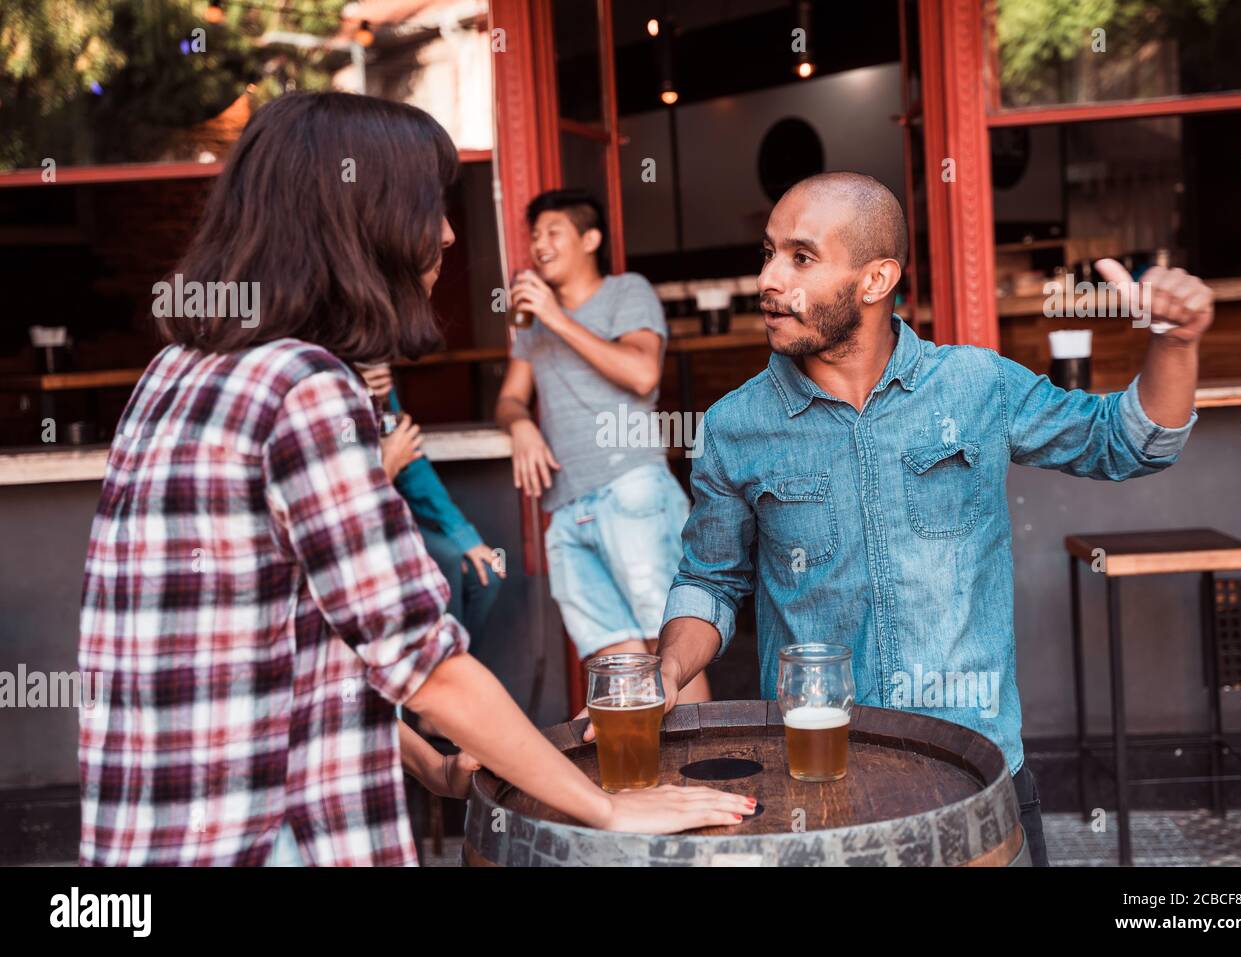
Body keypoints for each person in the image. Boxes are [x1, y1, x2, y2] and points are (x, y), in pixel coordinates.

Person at [77, 92, 753, 867]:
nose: (446, 232)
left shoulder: (175, 374)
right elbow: (429, 670)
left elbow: (277, 651)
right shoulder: (306, 388)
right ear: (363, 221)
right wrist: (606, 805)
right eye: (429, 205)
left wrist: (431, 764)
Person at [637, 171, 1213, 867]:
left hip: (976, 772)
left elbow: (1127, 443)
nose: (769, 278)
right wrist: (667, 667)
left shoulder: (976, 386)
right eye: (767, 253)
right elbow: (711, 580)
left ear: (876, 278)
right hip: (822, 788)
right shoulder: (736, 425)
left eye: (801, 257)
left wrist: (1175, 343)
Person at [494, 189, 709, 703]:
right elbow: (508, 399)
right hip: (566, 509)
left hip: (630, 491)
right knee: (617, 664)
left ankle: (709, 771)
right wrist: (520, 424)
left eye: (553, 232)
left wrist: (556, 317)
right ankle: (655, 784)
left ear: (590, 239)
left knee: (669, 652)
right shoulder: (533, 326)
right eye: (534, 235)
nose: (539, 244)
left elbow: (640, 373)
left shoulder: (625, 292)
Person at [356, 361, 503, 643]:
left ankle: (456, 674)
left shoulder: (379, 384)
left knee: (485, 574)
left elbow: (410, 462)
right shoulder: (320, 384)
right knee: (446, 559)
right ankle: (444, 676)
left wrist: (462, 533)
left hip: (391, 511)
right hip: (358, 523)